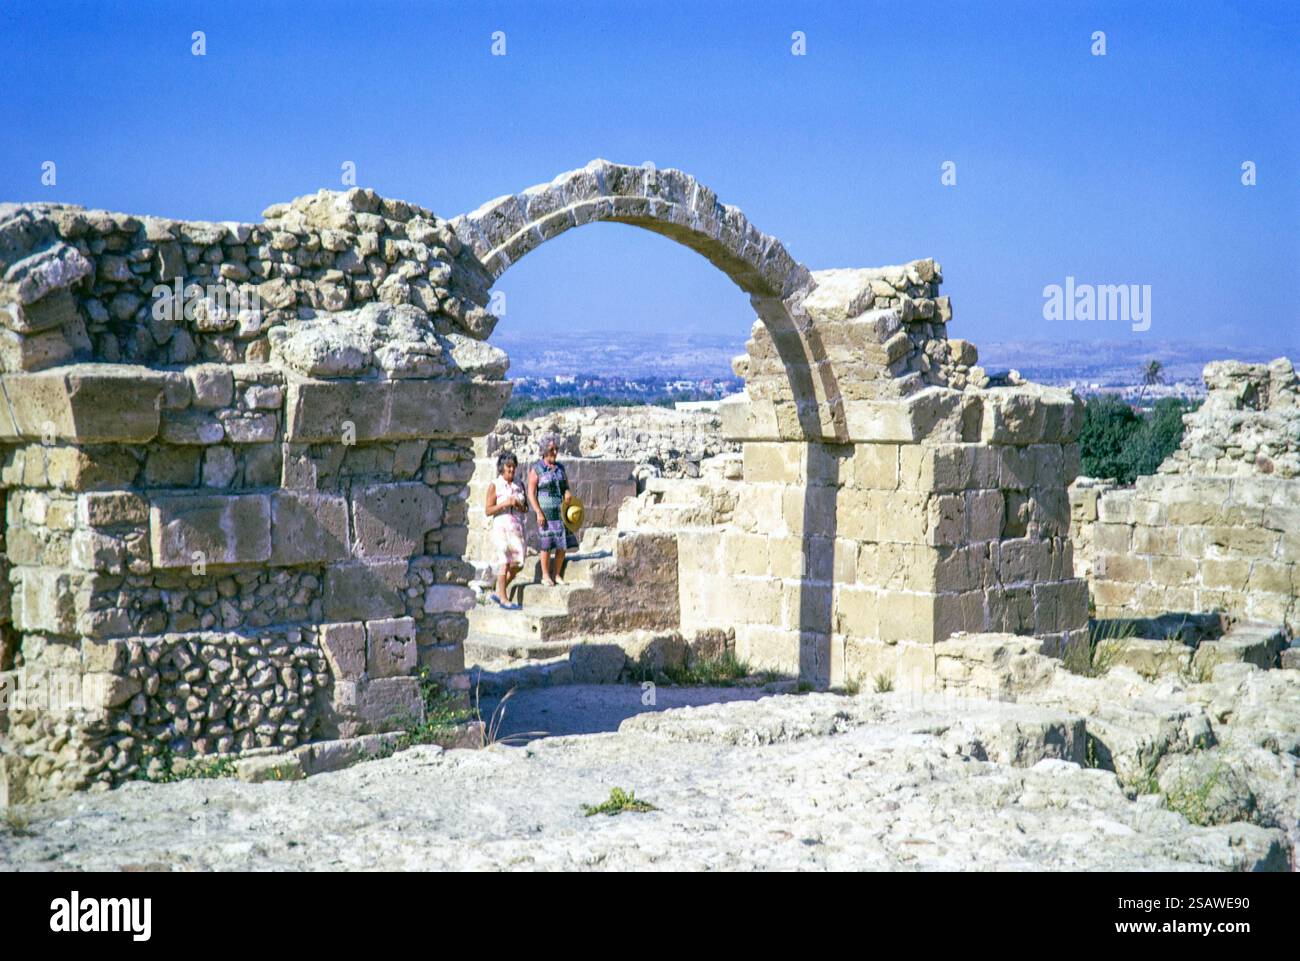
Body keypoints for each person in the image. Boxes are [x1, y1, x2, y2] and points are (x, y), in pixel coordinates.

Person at [527, 434, 576, 586]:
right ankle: (545, 575)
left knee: (562, 545)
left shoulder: (560, 468)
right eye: (551, 449)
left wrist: (567, 493)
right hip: (546, 515)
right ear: (544, 451)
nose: (555, 452)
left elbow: (565, 487)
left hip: (560, 513)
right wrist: (538, 512)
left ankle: (557, 575)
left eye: (556, 449)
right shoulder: (537, 469)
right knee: (546, 545)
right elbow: (531, 493)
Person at [484, 451, 526, 608]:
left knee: (519, 563)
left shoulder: (519, 484)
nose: (512, 470)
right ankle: (504, 599)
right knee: (505, 562)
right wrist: (504, 504)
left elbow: (525, 508)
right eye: (509, 467)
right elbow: (488, 510)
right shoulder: (495, 485)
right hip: (501, 526)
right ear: (502, 468)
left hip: (516, 527)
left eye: (514, 467)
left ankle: (498, 592)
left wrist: (518, 504)